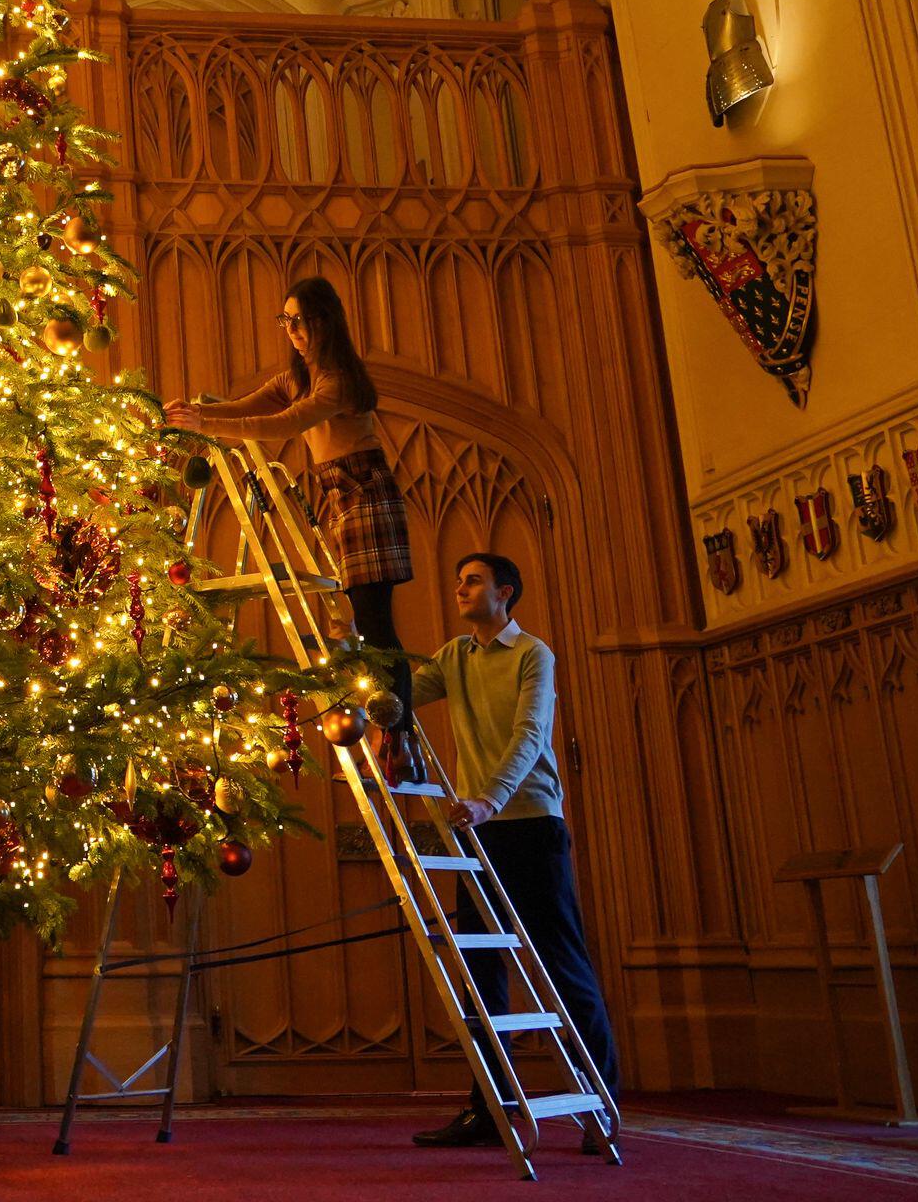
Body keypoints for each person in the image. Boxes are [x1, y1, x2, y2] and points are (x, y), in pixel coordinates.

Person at [408, 552, 622, 1153]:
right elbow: (399, 695)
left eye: (473, 580)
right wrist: (352, 659)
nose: (460, 588)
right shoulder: (453, 656)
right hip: (480, 833)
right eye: (458, 580)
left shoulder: (535, 654)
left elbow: (532, 734)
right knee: (479, 976)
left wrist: (488, 800)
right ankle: (489, 1110)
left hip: (529, 825)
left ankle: (601, 1105)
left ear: (505, 593)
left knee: (562, 966)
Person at [166, 276, 418, 772]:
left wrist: (208, 423)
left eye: (298, 320)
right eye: (285, 321)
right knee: (360, 623)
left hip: (365, 492)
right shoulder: (299, 375)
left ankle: (400, 738)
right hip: (339, 494)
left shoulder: (337, 380)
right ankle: (395, 735)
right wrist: (199, 413)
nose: (291, 331)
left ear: (323, 322)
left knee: (374, 623)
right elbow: (251, 407)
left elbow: (283, 424)